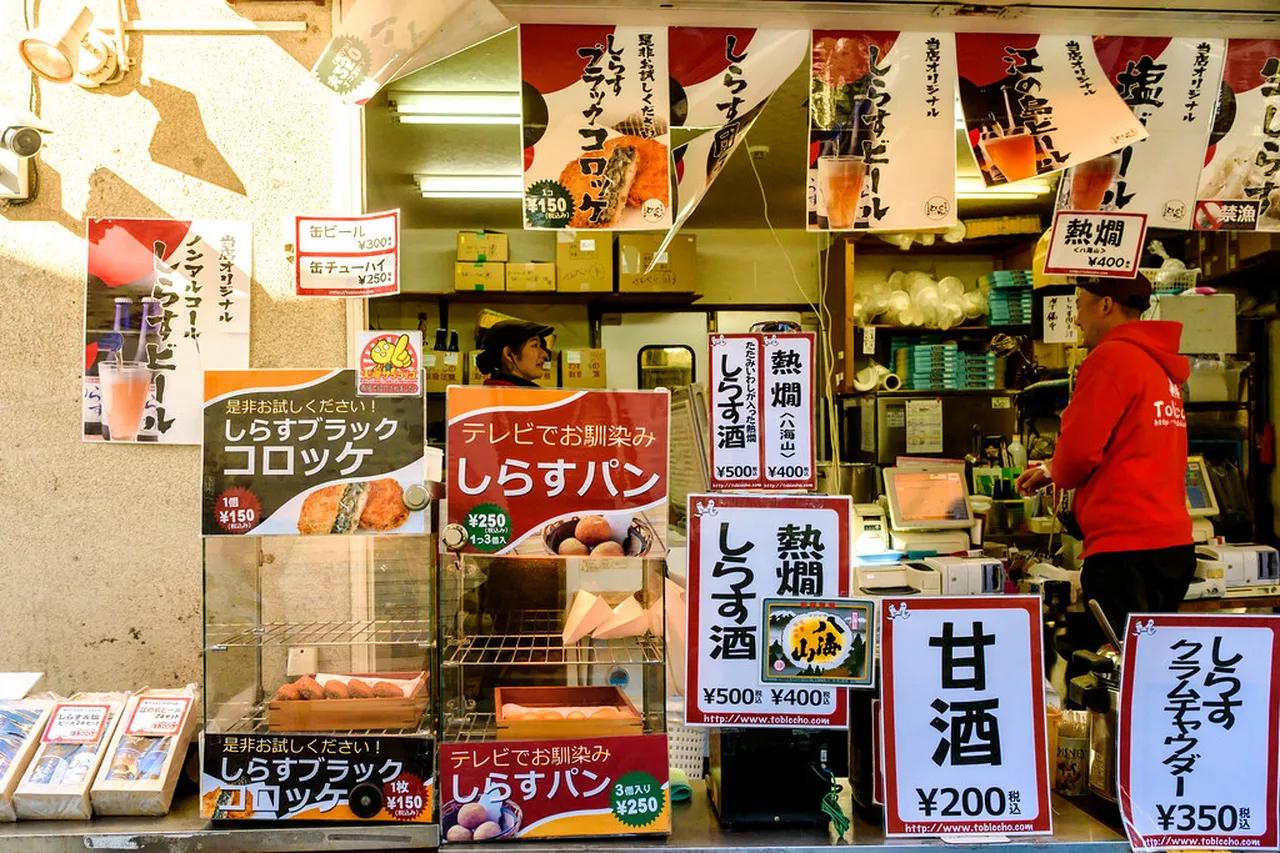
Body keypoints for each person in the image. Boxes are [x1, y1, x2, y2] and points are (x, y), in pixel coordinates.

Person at [1016, 274, 1193, 641]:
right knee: (1149, 670)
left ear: (1106, 305)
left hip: (1126, 553)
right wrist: (1051, 469)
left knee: (1117, 675)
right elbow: (1132, 446)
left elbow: (1077, 457)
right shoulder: (1159, 365)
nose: (1076, 319)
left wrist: (1060, 468)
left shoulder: (1111, 357)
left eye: (1079, 304)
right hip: (1171, 547)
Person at [475, 320, 554, 387]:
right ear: (508, 354)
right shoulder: (513, 399)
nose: (545, 355)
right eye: (534, 345)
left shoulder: (499, 393)